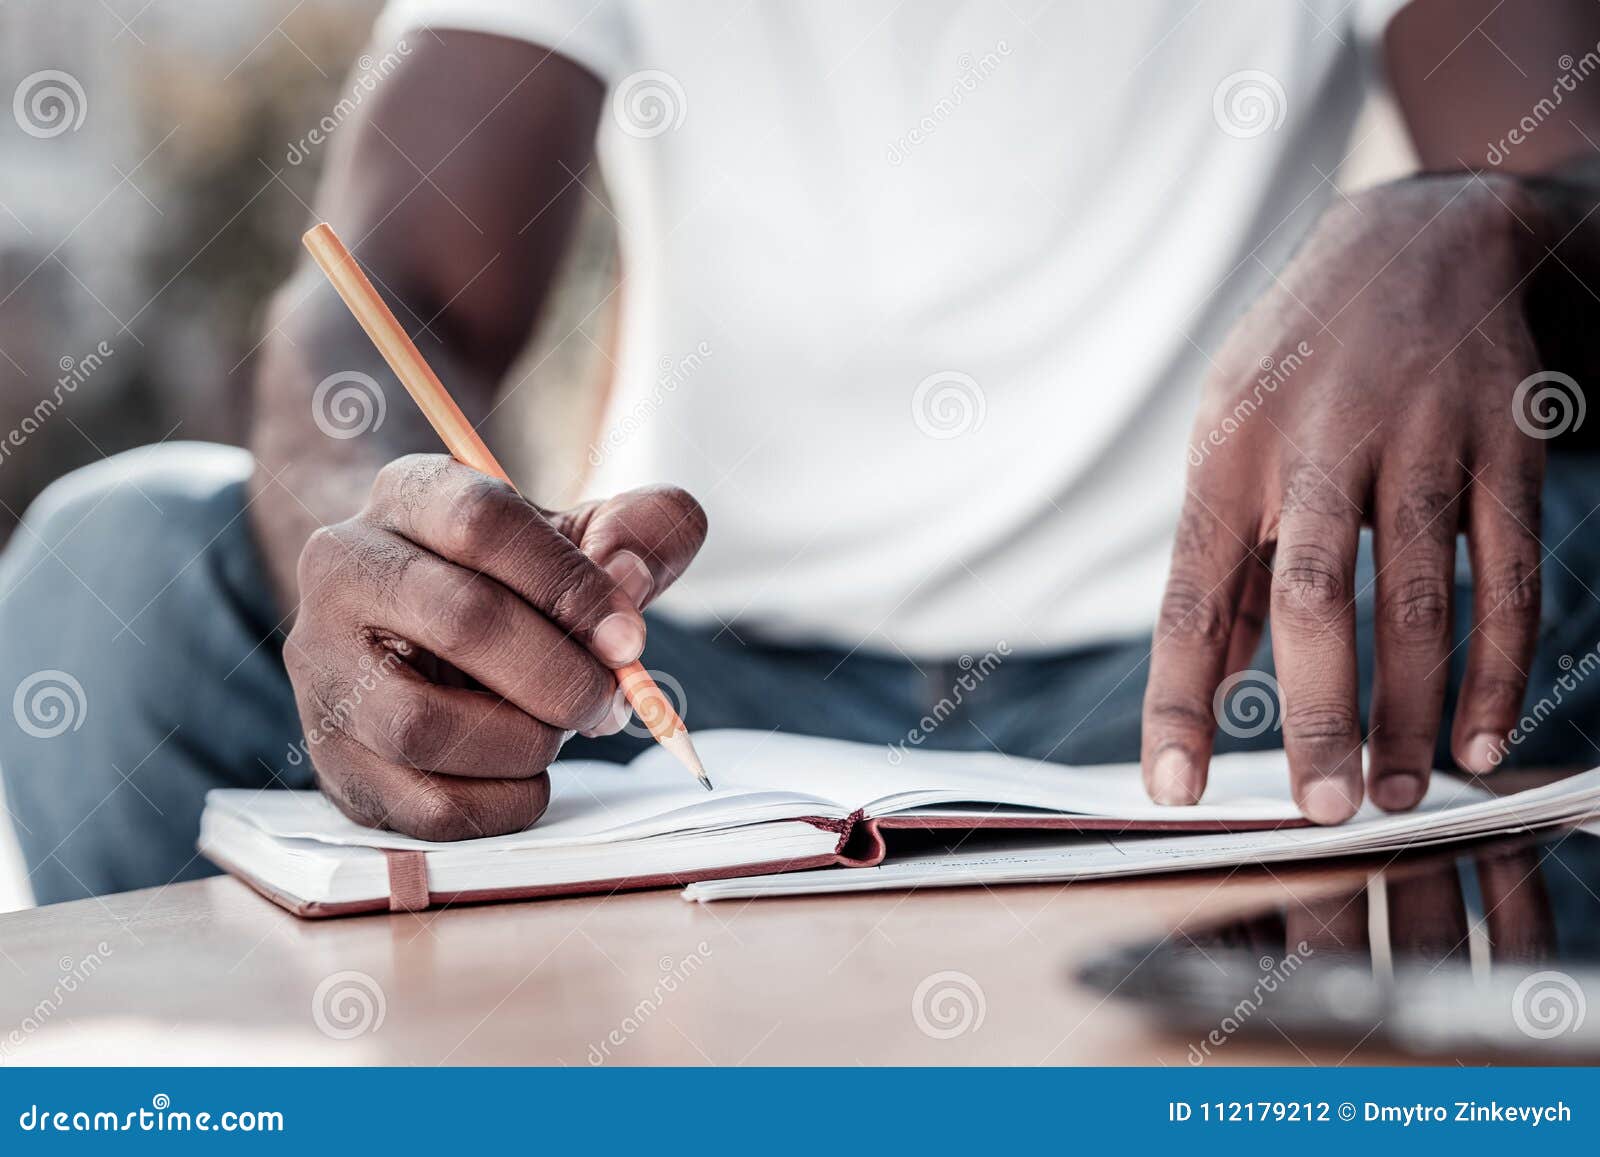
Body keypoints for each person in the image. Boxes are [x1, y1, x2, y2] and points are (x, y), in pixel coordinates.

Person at [4, 0, 1600, 904]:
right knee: (113, 566)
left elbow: (1563, 161)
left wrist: (1488, 222)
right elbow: (378, 295)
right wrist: (394, 556)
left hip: (1225, 679)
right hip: (663, 704)